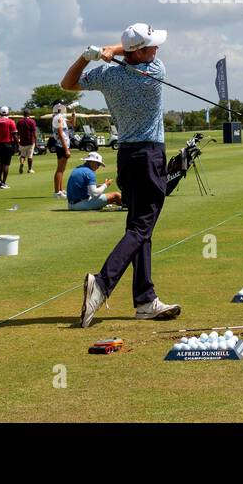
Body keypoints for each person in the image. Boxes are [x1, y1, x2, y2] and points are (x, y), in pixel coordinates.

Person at [65, 22, 182, 326]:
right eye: (152, 46)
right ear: (142, 52)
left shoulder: (108, 75)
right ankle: (103, 282)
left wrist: (88, 56)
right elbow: (129, 52)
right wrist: (112, 50)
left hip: (127, 158)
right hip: (150, 156)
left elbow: (68, 83)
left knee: (139, 229)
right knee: (142, 227)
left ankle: (145, 300)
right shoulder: (154, 71)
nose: (157, 49)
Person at [51, 102, 74, 199]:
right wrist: (66, 149)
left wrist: (74, 114)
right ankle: (57, 191)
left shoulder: (60, 117)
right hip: (61, 146)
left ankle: (60, 189)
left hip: (63, 145)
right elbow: (60, 133)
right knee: (60, 169)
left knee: (62, 169)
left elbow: (72, 124)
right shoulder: (58, 118)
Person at [16, 108, 38, 174]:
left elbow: (17, 133)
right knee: (30, 156)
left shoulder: (19, 122)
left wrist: (18, 141)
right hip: (30, 141)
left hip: (22, 142)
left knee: (22, 155)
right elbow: (34, 133)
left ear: (23, 114)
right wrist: (36, 142)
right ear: (29, 114)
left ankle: (22, 163)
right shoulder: (32, 121)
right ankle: (30, 169)